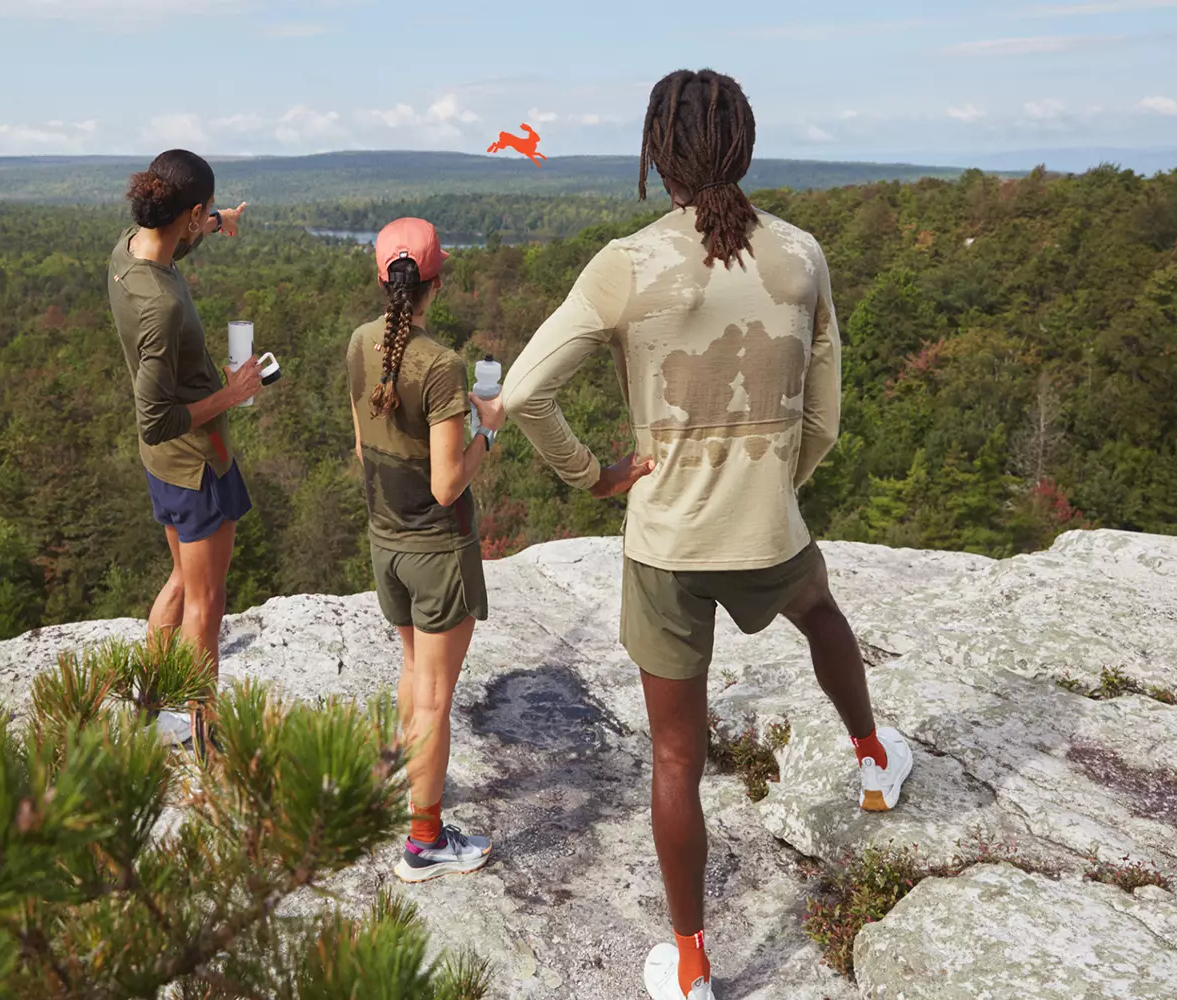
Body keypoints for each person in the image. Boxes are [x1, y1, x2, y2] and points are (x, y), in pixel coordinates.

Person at [501, 70, 914, 1000]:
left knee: (678, 759)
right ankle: (875, 763)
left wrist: (595, 475)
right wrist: (778, 483)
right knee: (822, 616)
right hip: (769, 526)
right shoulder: (801, 254)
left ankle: (690, 965)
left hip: (668, 547)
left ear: (658, 154)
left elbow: (524, 394)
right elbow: (827, 412)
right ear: (745, 144)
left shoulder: (628, 263)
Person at [346, 217, 505, 883]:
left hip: (386, 539)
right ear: (436, 283)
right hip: (437, 551)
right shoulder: (440, 365)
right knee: (436, 695)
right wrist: (488, 434)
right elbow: (446, 486)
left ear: (382, 280)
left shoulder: (360, 343)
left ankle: (396, 776)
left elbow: (362, 449)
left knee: (415, 669)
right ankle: (423, 842)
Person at [108, 148, 261, 756]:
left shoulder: (128, 248)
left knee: (180, 579)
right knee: (206, 601)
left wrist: (219, 221)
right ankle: (205, 735)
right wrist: (233, 392)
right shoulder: (162, 307)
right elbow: (156, 419)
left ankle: (145, 709)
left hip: (168, 471)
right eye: (204, 215)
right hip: (193, 461)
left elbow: (173, 241)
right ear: (187, 210)